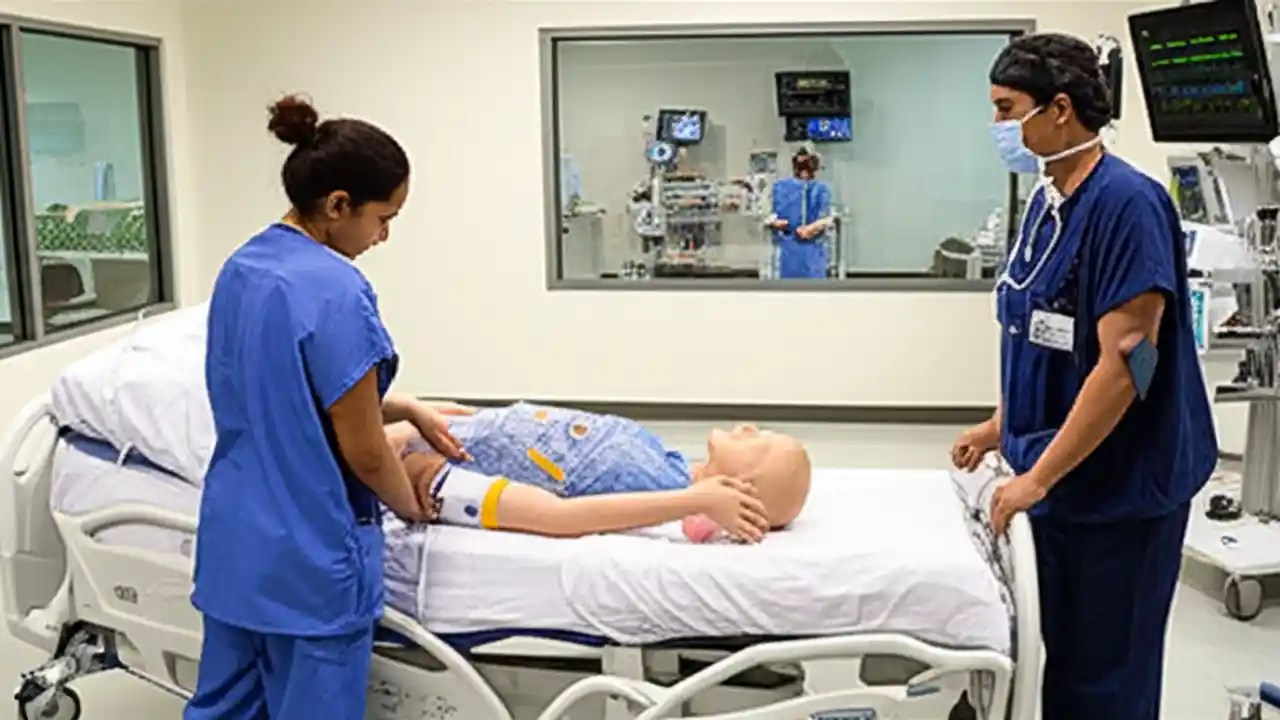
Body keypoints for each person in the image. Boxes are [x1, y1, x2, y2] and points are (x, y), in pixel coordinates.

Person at [951, 34, 1217, 720]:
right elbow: (1038, 330)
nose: (997, 128)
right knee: (1065, 660)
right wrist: (1000, 426)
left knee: (1106, 677)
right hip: (1058, 468)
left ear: (1060, 109)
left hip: (1120, 484)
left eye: (1007, 111)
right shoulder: (1047, 200)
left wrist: (1037, 478)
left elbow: (1130, 363)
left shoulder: (1128, 204)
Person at [185, 96, 469, 720]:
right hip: (308, 560)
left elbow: (282, 385)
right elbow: (366, 452)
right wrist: (410, 505)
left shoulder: (243, 266)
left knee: (224, 710)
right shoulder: (337, 288)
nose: (385, 235)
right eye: (383, 217)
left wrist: (406, 408)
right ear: (338, 205)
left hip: (238, 546)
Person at [387, 402, 811, 543]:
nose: (750, 427)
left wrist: (698, 499)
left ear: (742, 488)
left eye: (761, 440)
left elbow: (559, 517)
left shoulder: (665, 482)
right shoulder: (669, 470)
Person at [766, 148, 834, 279]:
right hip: (788, 250)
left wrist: (812, 228)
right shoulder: (781, 188)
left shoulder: (820, 189)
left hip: (812, 250)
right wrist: (775, 222)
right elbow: (769, 216)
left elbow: (828, 218)